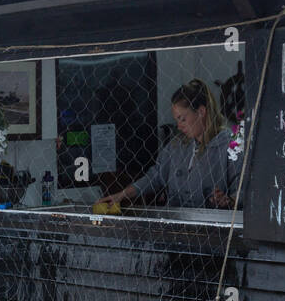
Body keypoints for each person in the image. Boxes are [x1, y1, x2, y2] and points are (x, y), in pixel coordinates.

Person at [97, 79, 240, 210]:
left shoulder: (230, 145)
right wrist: (121, 195)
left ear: (201, 111)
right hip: (177, 225)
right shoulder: (177, 145)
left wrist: (228, 201)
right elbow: (156, 176)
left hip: (214, 229)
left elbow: (242, 189)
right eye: (176, 120)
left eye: (182, 119)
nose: (179, 126)